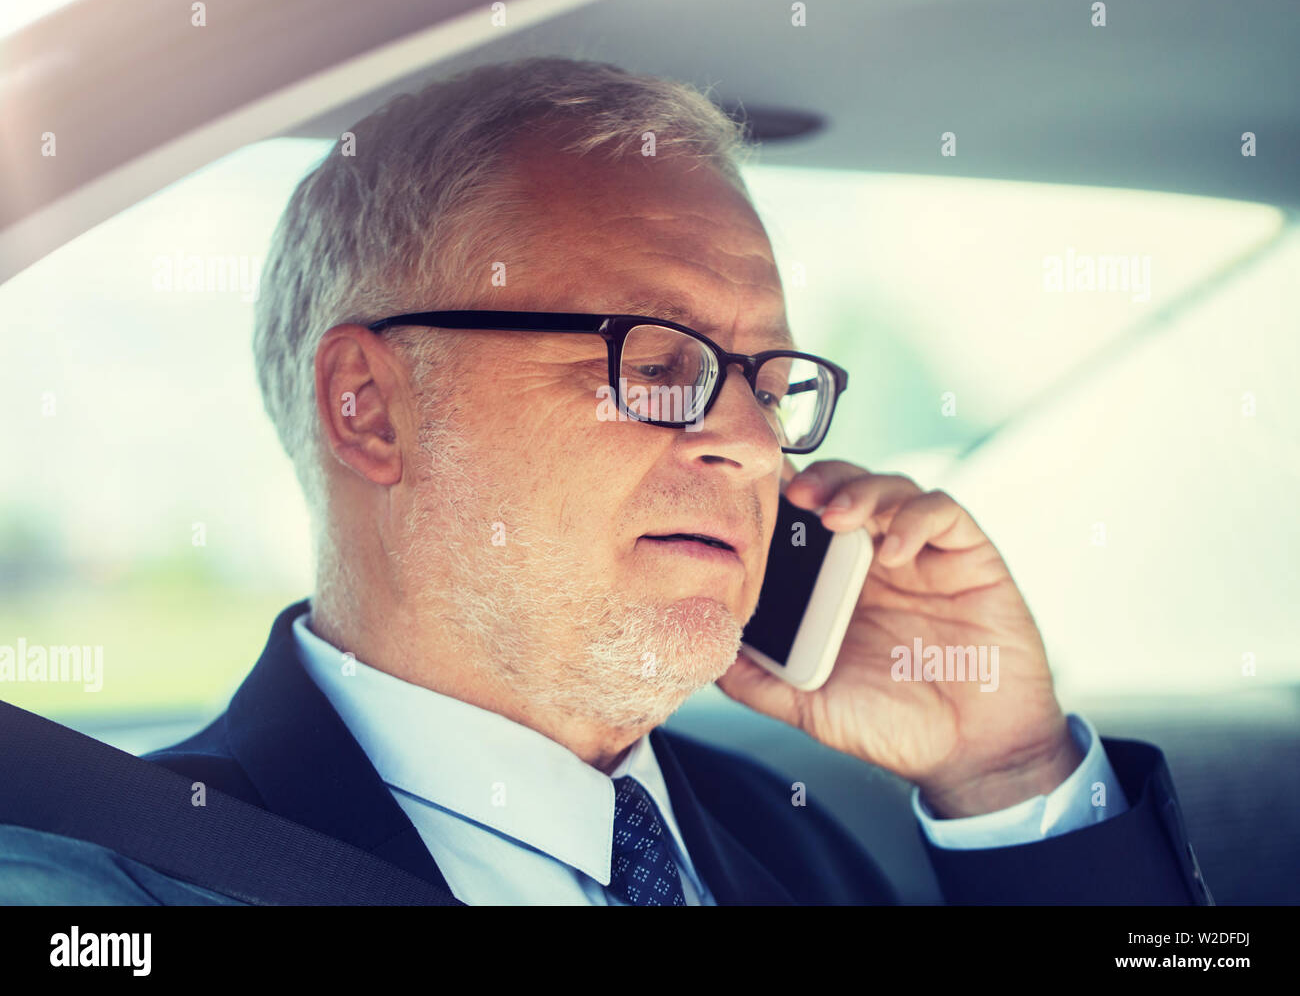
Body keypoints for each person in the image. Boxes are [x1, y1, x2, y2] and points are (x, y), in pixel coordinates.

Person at [53, 57, 1216, 904]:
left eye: (770, 383)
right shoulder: (116, 878)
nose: (753, 445)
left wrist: (1007, 775)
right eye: (657, 364)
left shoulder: (797, 842)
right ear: (372, 405)